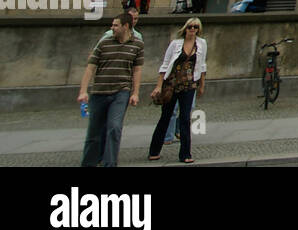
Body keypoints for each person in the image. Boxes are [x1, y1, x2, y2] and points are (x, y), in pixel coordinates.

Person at [77, 13, 144, 167]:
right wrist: (83, 91)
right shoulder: (104, 43)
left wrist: (135, 93)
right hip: (99, 92)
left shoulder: (138, 45)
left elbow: (137, 70)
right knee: (94, 132)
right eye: (112, 25)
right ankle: (89, 163)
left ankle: (110, 164)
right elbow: (90, 68)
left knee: (114, 127)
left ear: (126, 26)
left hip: (121, 92)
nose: (112, 28)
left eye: (115, 25)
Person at [148, 19, 207, 164]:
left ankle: (185, 154)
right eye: (190, 27)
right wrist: (158, 86)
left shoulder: (201, 44)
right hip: (171, 85)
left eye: (195, 27)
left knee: (185, 119)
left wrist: (201, 85)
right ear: (185, 28)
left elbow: (202, 65)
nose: (192, 29)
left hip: (189, 85)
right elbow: (165, 65)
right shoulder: (176, 44)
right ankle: (154, 150)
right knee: (166, 117)